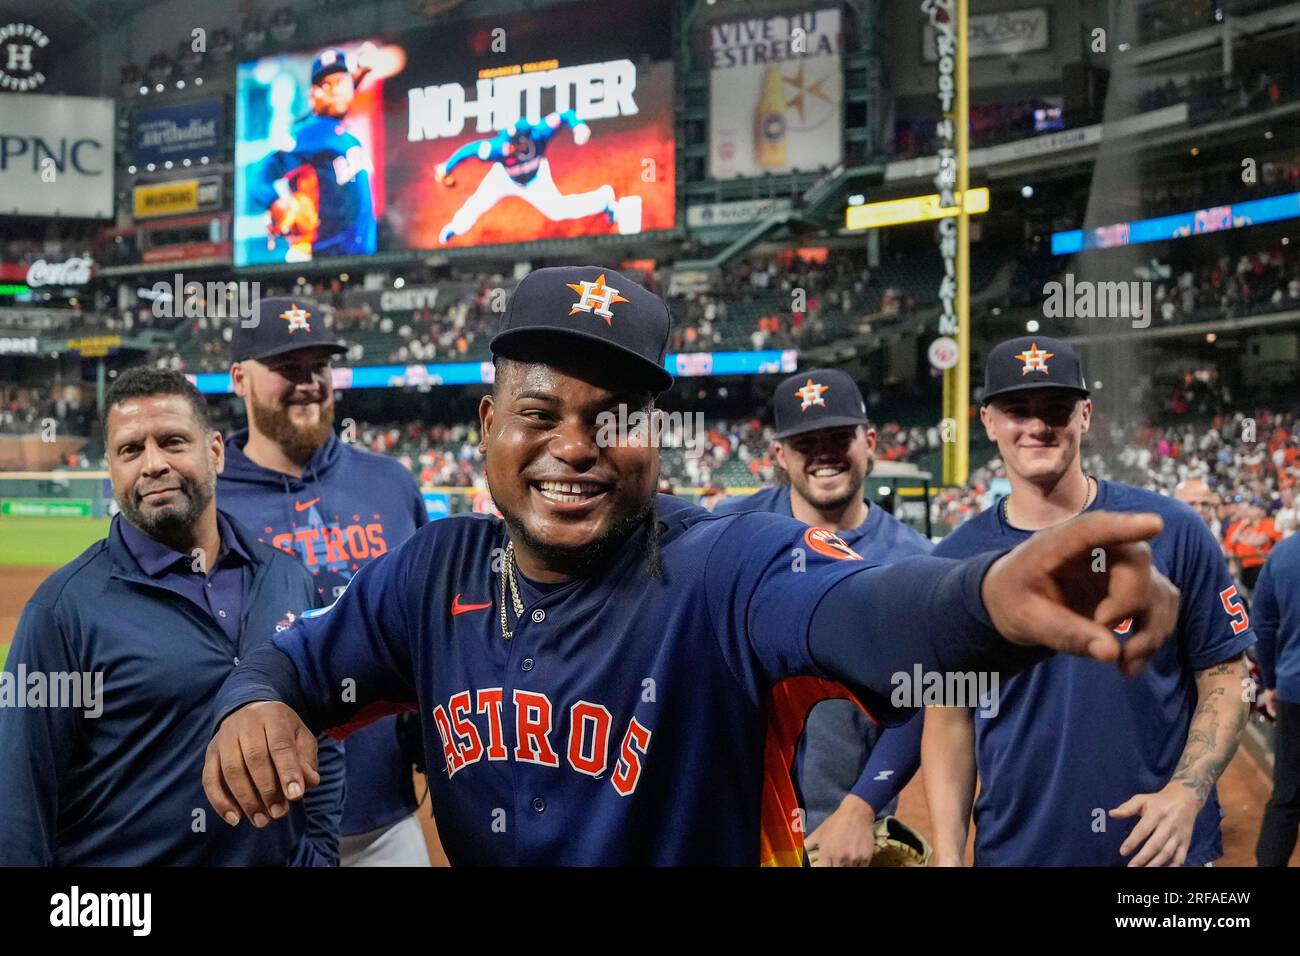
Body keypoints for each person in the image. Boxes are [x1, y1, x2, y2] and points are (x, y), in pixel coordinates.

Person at [202, 269, 1179, 866]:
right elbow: (296, 660)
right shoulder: (431, 569)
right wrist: (256, 695)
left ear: (657, 438)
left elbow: (873, 609)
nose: (576, 445)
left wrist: (988, 595)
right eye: (540, 412)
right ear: (487, 427)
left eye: (615, 416)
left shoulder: (725, 562)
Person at [923, 336, 1255, 867]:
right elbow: (948, 718)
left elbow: (1226, 676)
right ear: (987, 420)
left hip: (1162, 857)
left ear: (1085, 415)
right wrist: (945, 856)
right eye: (1016, 409)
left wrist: (1187, 793)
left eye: (1056, 408)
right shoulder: (953, 560)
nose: (1037, 425)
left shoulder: (1171, 529)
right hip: (1018, 851)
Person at [0, 367, 343, 865]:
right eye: (130, 450)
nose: (153, 464)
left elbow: (324, 734)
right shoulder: (61, 610)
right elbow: (19, 800)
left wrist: (318, 855)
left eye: (173, 441)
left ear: (216, 452)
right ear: (112, 469)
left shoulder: (288, 578)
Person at [217, 296, 431, 867]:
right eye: (288, 368)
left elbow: (430, 621)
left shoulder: (390, 483)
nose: (309, 383)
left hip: (387, 816)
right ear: (239, 377)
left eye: (319, 366)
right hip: (259, 828)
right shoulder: (209, 501)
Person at [714, 368, 931, 866]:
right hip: (733, 817)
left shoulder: (912, 561)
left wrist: (862, 806)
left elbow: (921, 702)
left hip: (839, 831)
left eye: (839, 436)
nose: (824, 452)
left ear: (870, 442)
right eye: (806, 440)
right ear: (780, 456)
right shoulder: (729, 531)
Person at [250, 47, 378, 261]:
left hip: (362, 257)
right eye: (325, 84)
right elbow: (259, 173)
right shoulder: (307, 132)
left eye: (340, 81)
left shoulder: (342, 131)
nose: (334, 89)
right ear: (313, 94)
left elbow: (342, 95)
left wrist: (359, 72)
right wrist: (274, 201)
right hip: (325, 258)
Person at [434, 112, 626, 244]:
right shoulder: (497, 148)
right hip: (504, 178)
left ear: (526, 140)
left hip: (536, 178)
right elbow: (469, 151)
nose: (509, 146)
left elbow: (565, 114)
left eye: (514, 143)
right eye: (508, 142)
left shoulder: (540, 133)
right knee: (477, 202)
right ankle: (455, 227)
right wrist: (447, 167)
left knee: (558, 211)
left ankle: (604, 199)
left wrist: (579, 126)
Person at [1252, 532, 1300, 865]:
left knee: (1286, 795)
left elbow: (1263, 625)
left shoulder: (1283, 553)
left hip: (1293, 686)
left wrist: (1270, 682)